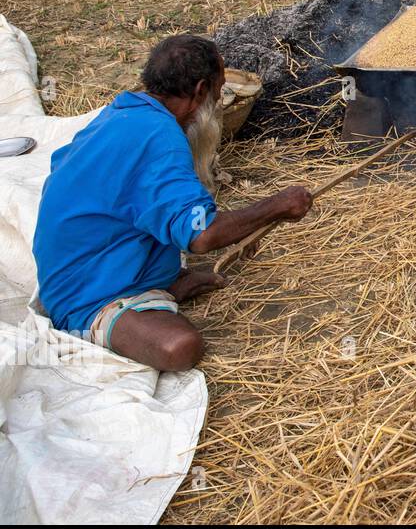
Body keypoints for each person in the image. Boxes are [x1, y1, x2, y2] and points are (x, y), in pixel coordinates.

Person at [32, 34, 313, 371]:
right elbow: (202, 235)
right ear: (199, 91)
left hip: (86, 263)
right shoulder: (160, 137)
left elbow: (139, 202)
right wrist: (278, 205)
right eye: (219, 91)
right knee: (180, 347)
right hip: (86, 295)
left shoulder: (126, 109)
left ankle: (160, 282)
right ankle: (102, 319)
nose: (219, 103)